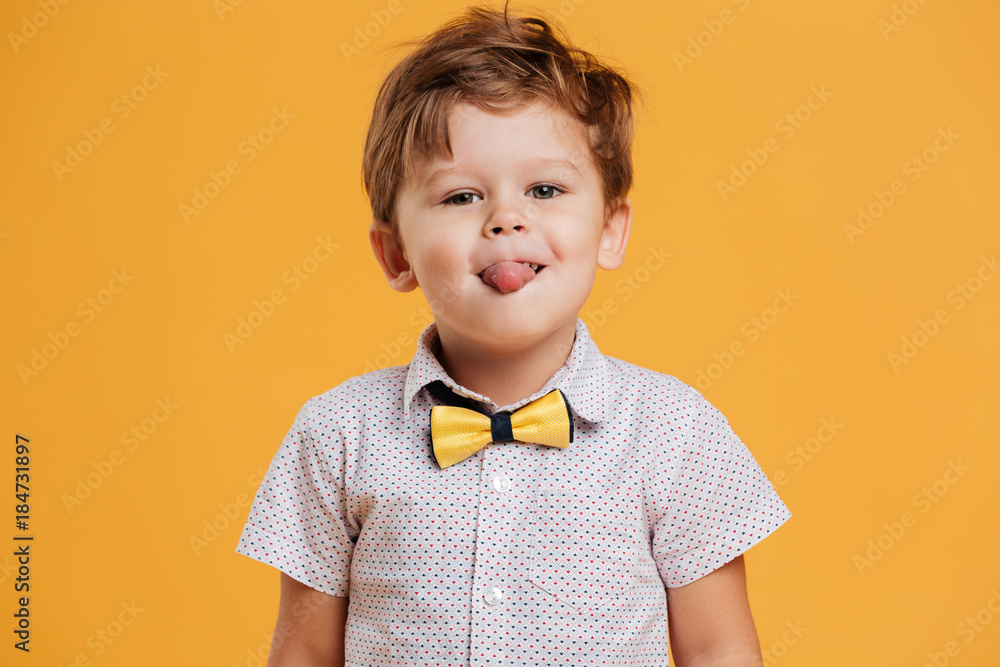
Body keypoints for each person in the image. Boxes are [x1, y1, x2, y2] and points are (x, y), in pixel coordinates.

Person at [236, 4, 791, 665]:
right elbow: (301, 654)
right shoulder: (336, 435)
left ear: (610, 229)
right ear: (397, 255)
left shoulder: (677, 433)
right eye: (461, 196)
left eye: (545, 188)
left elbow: (720, 649)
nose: (506, 218)